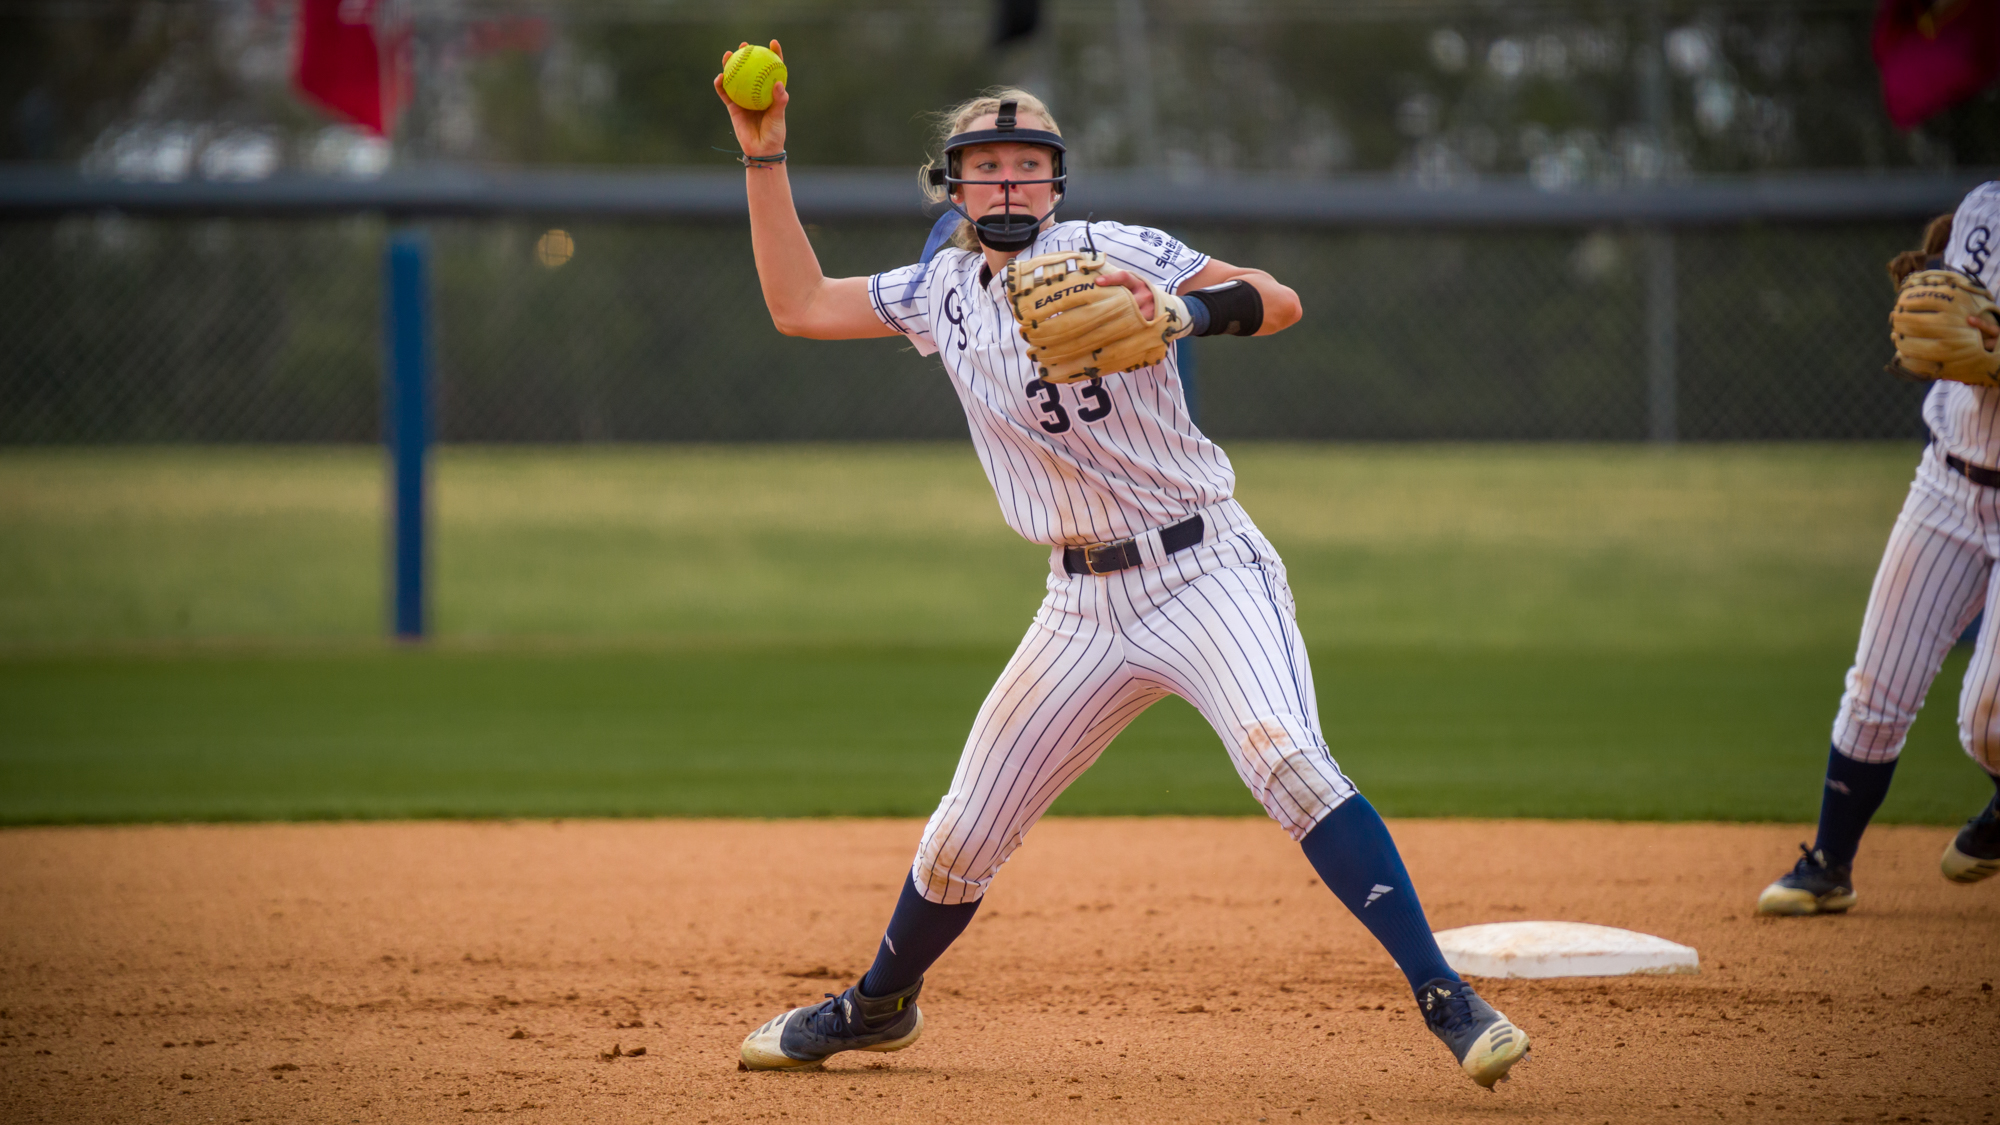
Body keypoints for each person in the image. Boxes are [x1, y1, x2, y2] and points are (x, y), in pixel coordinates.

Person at [713, 43, 1530, 1089]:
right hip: (1078, 604)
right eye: (985, 165)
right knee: (962, 836)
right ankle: (877, 1006)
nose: (1007, 182)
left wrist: (1182, 312)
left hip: (1203, 570)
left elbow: (1275, 298)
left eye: (1026, 163)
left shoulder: (1116, 249)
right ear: (951, 184)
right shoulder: (940, 292)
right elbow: (798, 304)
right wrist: (764, 157)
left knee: (1284, 757)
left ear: (1055, 179)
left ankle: (1444, 998)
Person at [1757, 180, 2000, 916]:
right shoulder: (1988, 206)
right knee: (1876, 684)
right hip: (1949, 480)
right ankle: (1829, 863)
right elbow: (1953, 317)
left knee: (1987, 716)